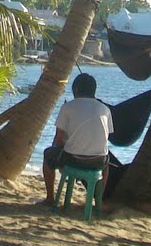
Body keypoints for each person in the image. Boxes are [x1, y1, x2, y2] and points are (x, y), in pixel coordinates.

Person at [41, 73, 113, 204]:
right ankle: (99, 201)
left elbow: (58, 139)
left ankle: (50, 198)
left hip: (73, 160)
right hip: (98, 161)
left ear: (76, 90)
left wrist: (65, 147)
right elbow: (106, 137)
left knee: (48, 154)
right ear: (93, 91)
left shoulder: (68, 107)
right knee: (107, 164)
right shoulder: (105, 109)